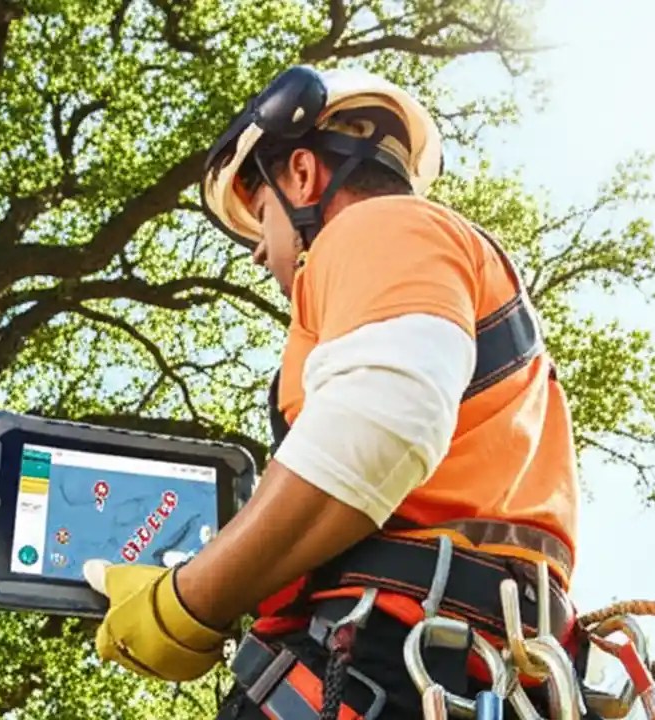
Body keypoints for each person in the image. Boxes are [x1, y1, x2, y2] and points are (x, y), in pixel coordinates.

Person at [82, 65, 591, 719]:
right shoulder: (472, 299)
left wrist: (187, 601)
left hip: (373, 664)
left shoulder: (378, 227)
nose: (262, 255)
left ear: (300, 174)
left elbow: (385, 419)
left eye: (261, 216)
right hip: (466, 671)